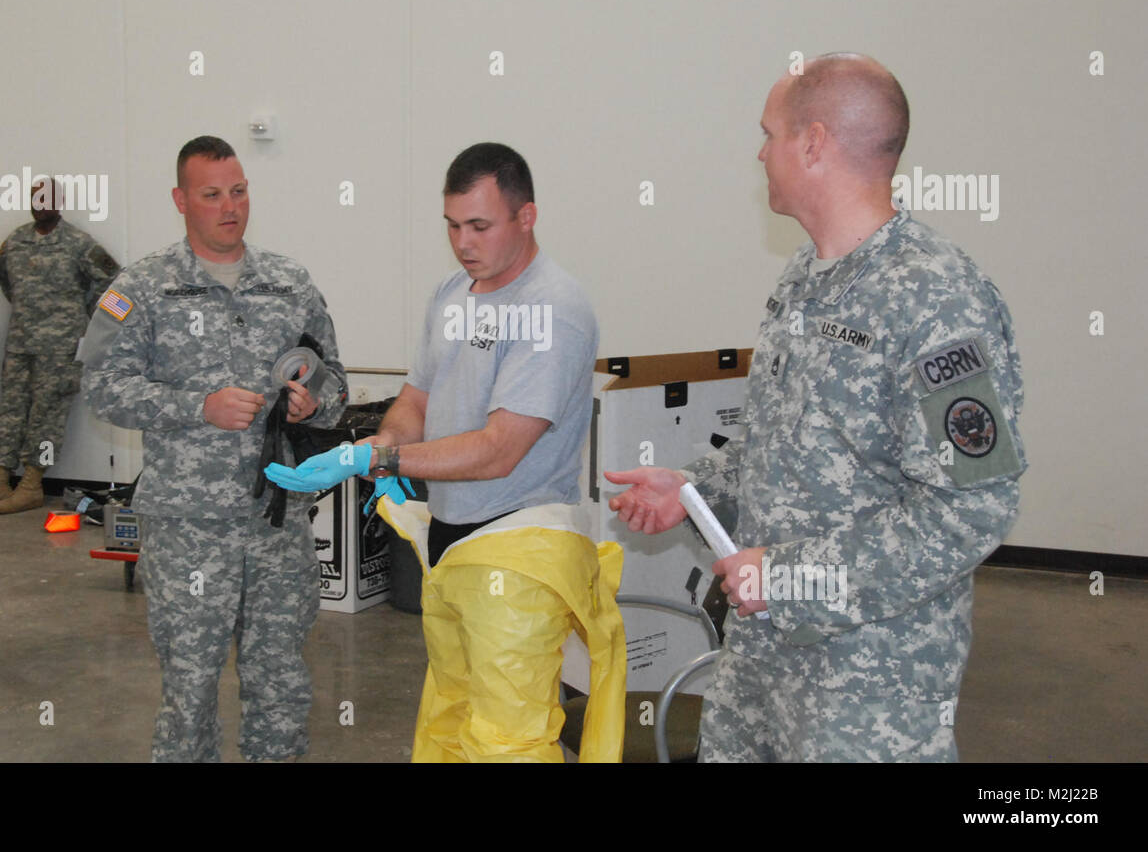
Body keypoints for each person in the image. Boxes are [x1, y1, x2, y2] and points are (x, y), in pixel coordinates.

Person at [606, 53, 1026, 762]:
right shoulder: (803, 277)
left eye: (769, 134)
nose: (760, 152)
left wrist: (795, 575)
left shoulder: (936, 297)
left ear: (814, 143)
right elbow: (787, 450)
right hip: (760, 666)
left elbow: (971, 507)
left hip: (866, 689)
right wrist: (698, 490)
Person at [265, 142, 626, 763]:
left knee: (507, 742)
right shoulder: (452, 295)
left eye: (480, 226)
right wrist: (383, 440)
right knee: (451, 721)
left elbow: (499, 450)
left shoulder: (554, 311)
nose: (463, 243)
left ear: (526, 217)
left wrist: (373, 462)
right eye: (453, 226)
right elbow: (416, 401)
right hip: (451, 541)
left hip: (518, 549)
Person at [80, 135, 347, 762]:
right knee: (190, 690)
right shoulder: (142, 287)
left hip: (277, 523)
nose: (230, 207)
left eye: (239, 191)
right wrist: (196, 406)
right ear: (180, 200)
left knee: (280, 684)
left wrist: (316, 401)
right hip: (187, 529)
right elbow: (101, 385)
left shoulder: (289, 282)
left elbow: (333, 375)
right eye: (211, 195)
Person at [0, 176, 119, 514]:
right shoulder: (15, 241)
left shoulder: (79, 244)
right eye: (35, 197)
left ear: (59, 203)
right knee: (10, 413)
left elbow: (113, 283)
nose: (41, 204)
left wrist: (87, 319)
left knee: (47, 418)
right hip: (20, 343)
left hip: (61, 349)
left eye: (47, 198)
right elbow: (7, 283)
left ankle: (33, 482)